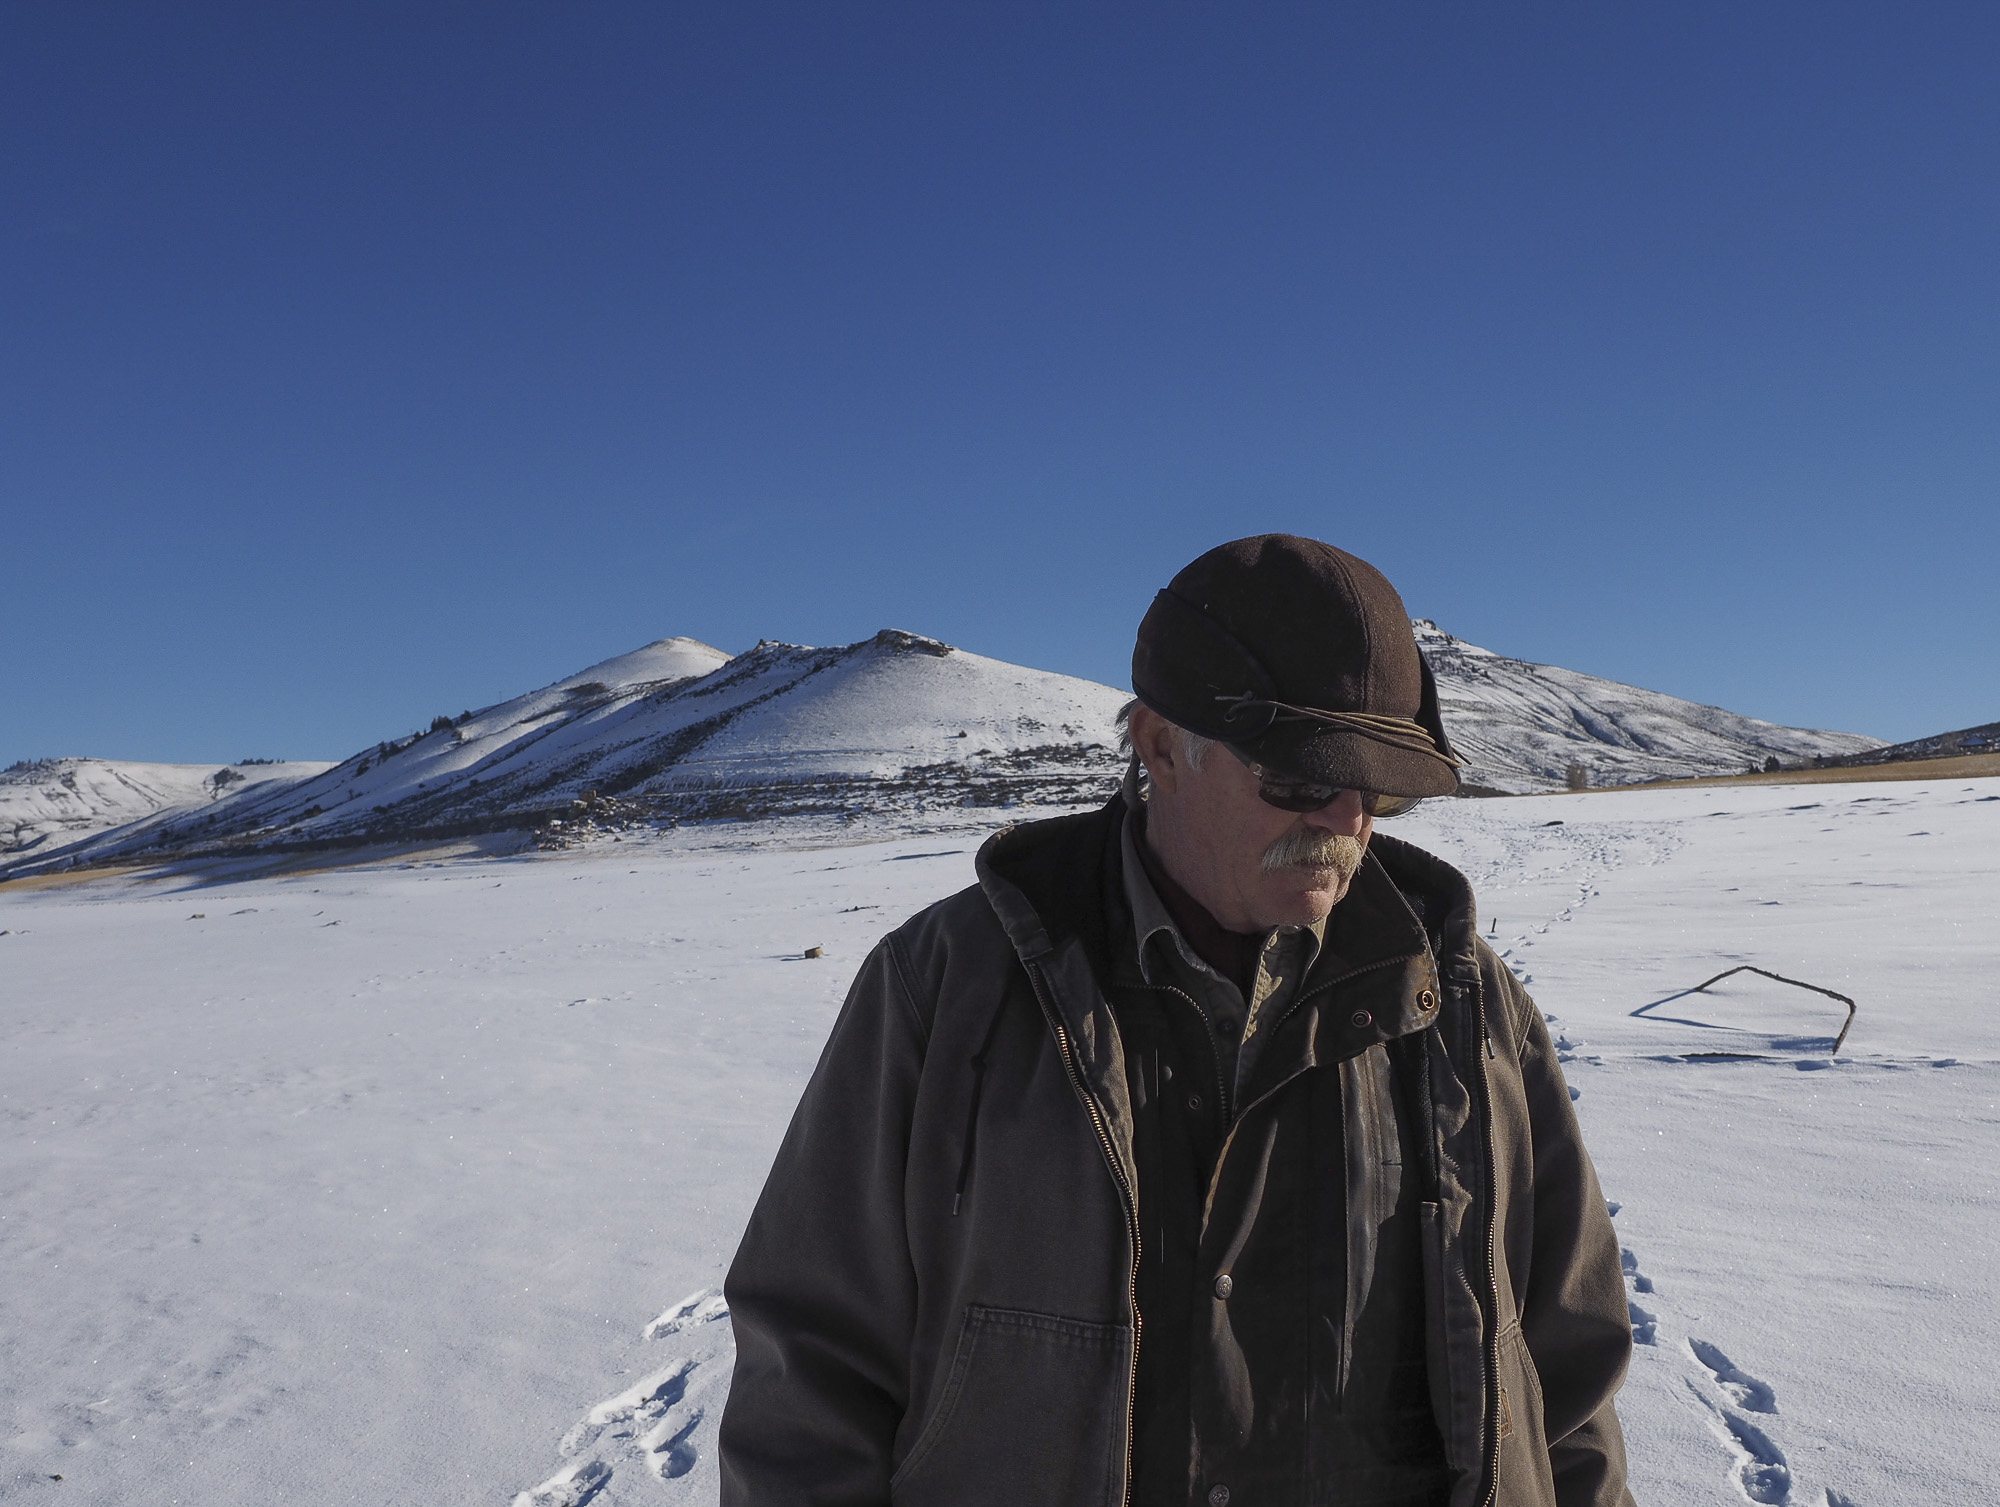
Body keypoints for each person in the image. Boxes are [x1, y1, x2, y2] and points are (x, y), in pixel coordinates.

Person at [719, 535, 1636, 1507]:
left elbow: (1561, 1363)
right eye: (1298, 779)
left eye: (1377, 789)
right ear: (1158, 744)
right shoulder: (947, 985)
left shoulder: (1460, 995)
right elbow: (810, 1364)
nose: (1343, 821)